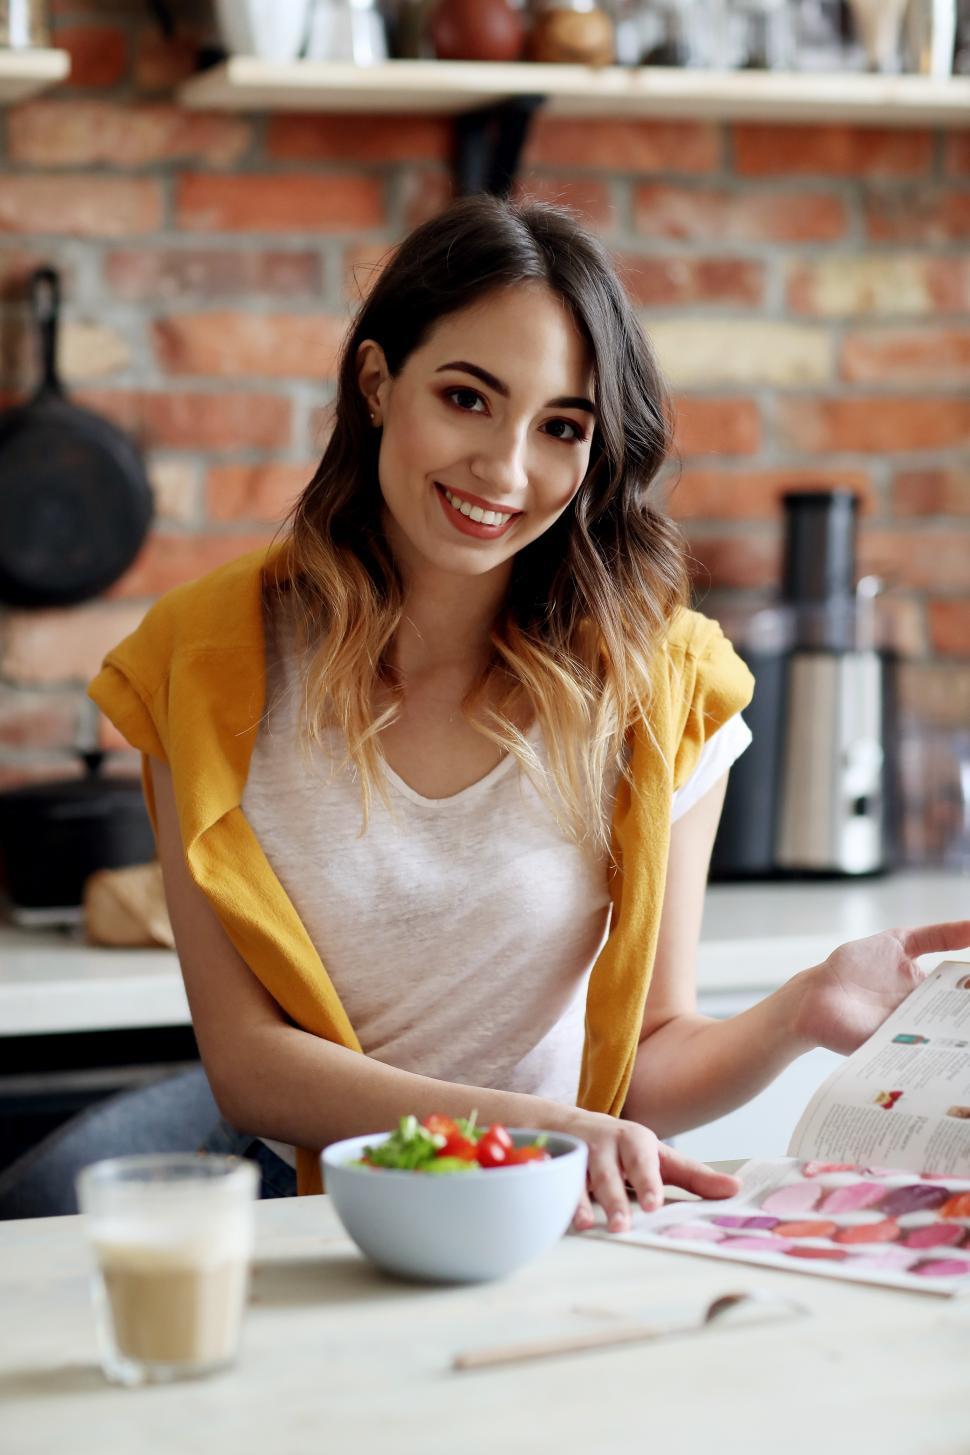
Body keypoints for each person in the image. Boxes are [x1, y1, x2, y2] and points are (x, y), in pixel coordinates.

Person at [89, 196, 970, 1233]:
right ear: (377, 384)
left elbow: (642, 1063)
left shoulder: (663, 684)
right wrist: (531, 1128)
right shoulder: (198, 664)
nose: (505, 471)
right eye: (466, 399)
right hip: (329, 1234)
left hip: (565, 1237)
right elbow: (248, 1073)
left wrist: (796, 1013)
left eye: (561, 427)